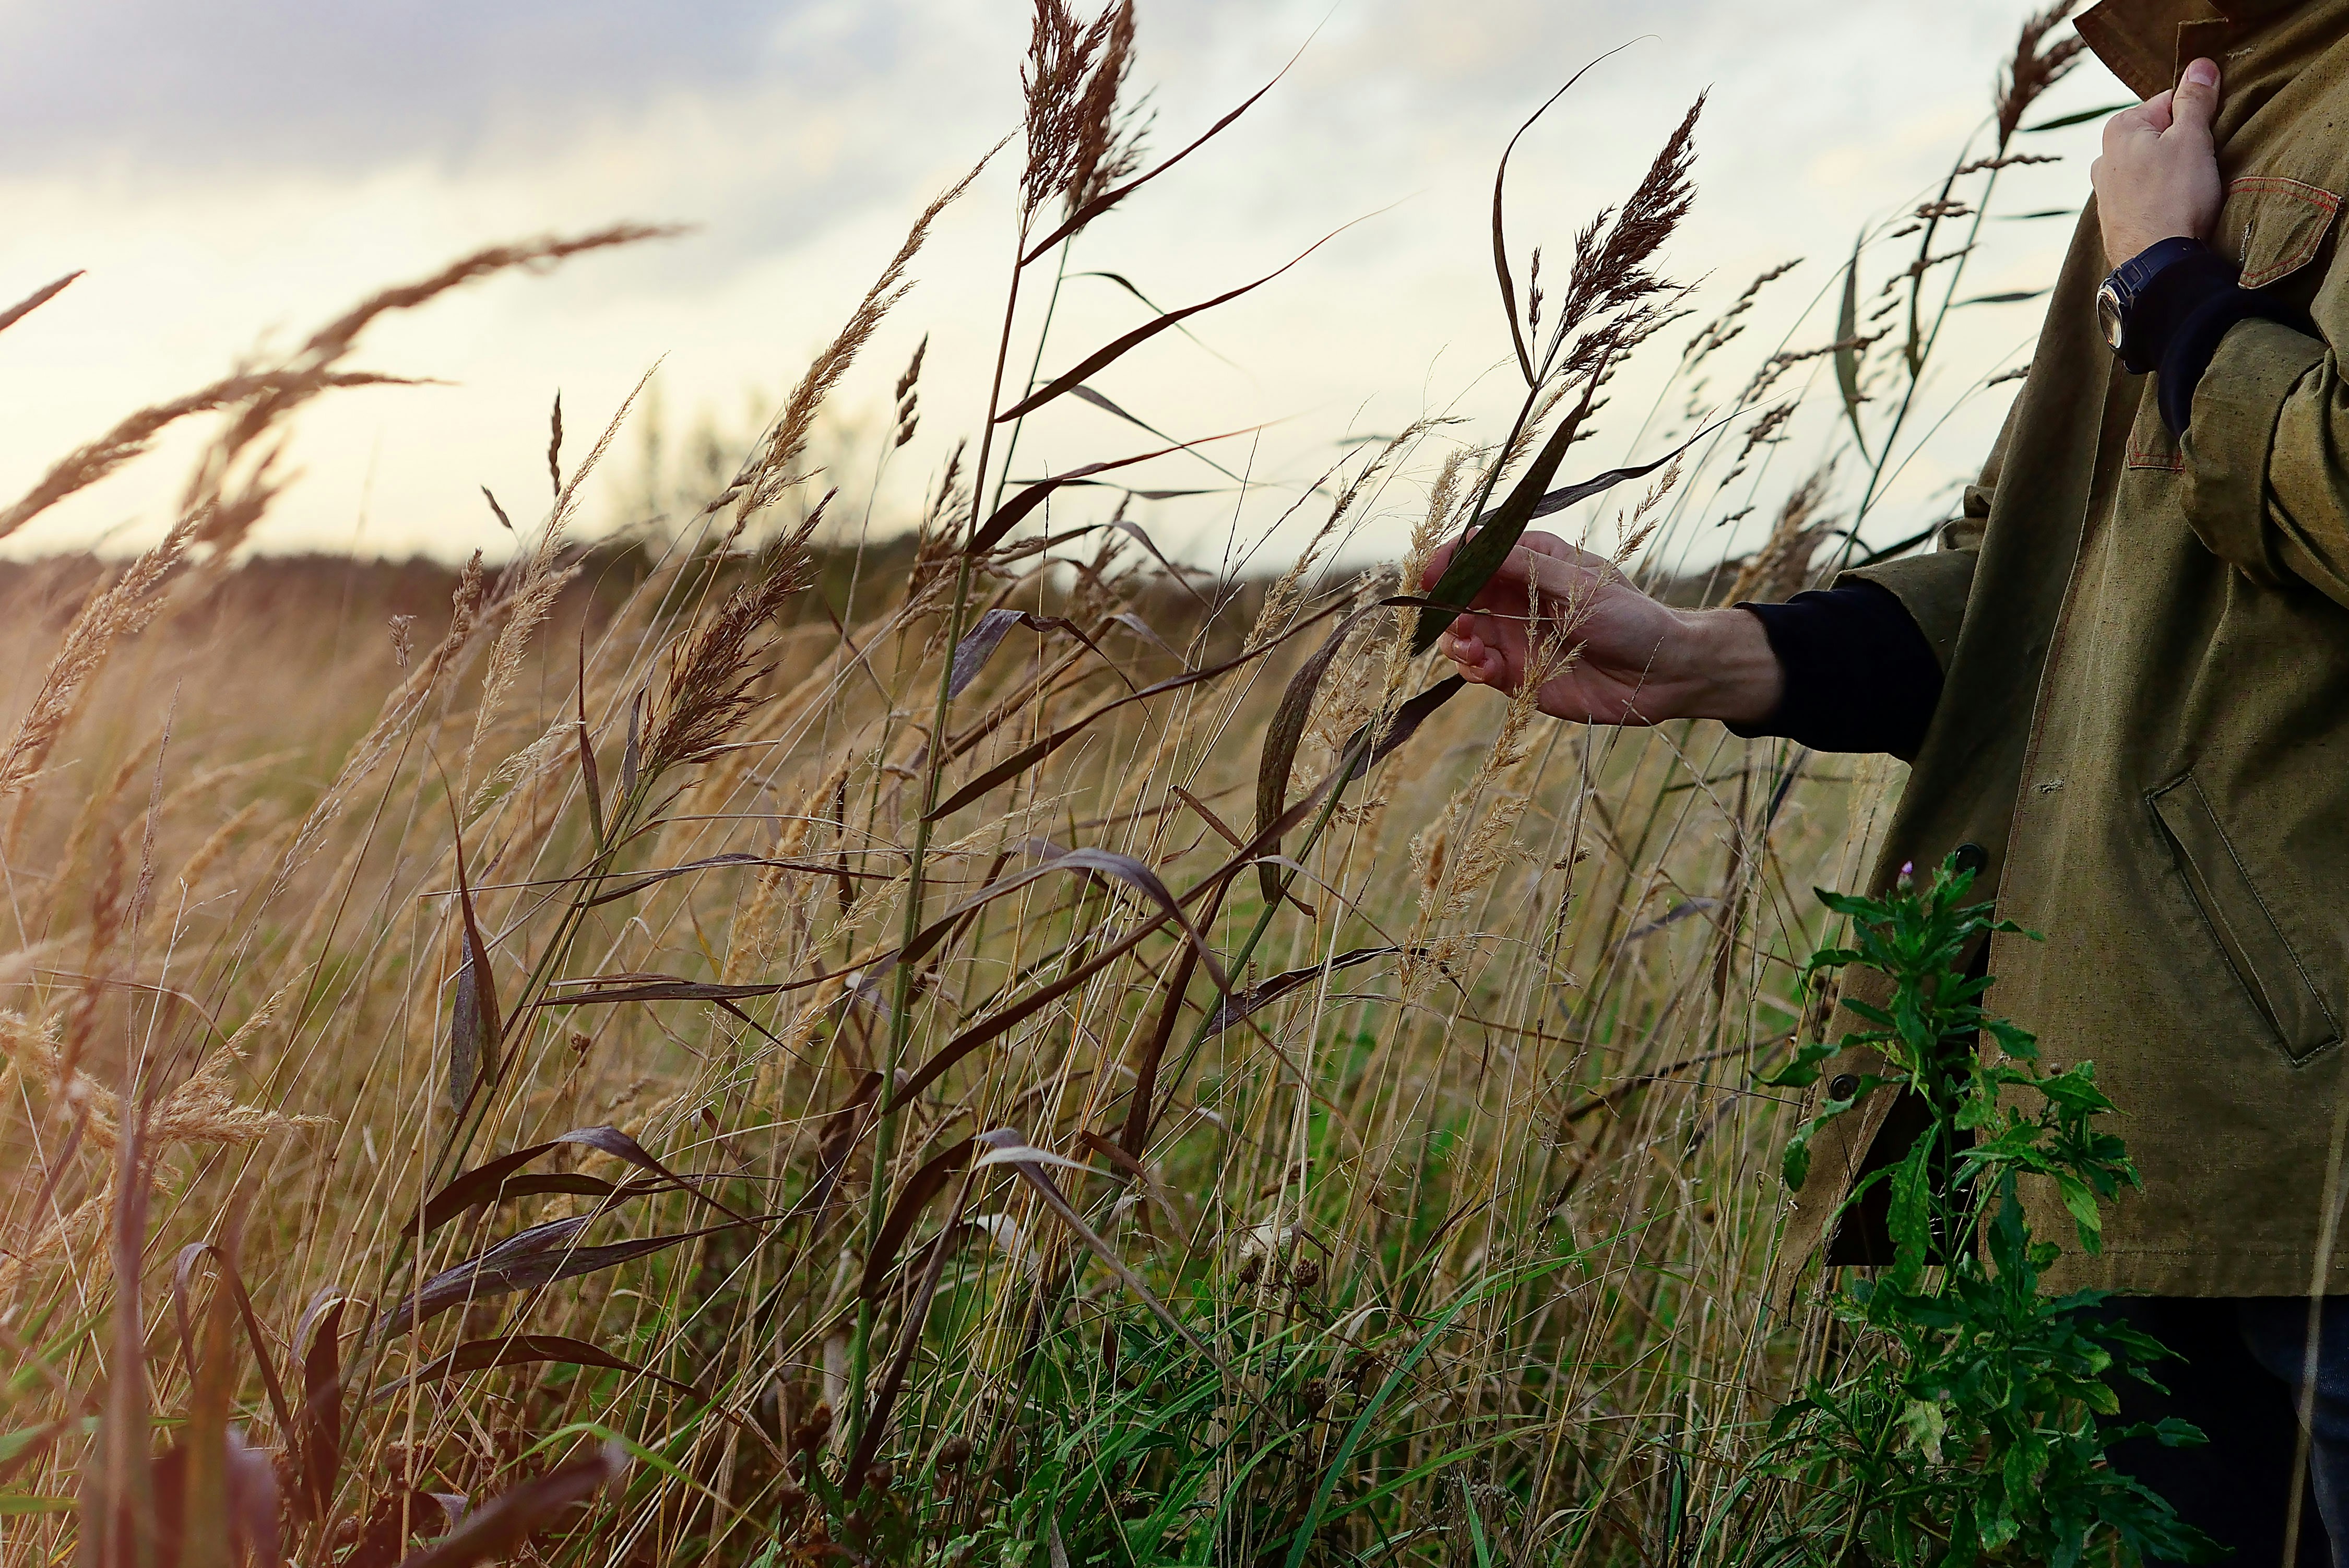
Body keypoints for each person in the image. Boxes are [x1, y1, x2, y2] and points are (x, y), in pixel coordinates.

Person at [1424, 3, 2349, 1560]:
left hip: (2313, 1164)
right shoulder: (2199, 114)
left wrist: (2173, 296)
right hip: (2127, 1158)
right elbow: (2047, 581)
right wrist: (1721, 655)